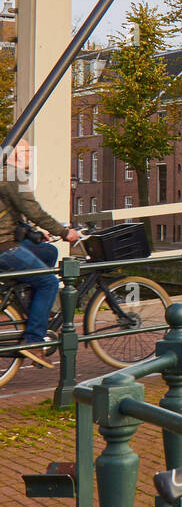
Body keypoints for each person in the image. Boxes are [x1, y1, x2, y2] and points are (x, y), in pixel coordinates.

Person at [0, 148, 80, 365]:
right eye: (27, 152)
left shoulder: (5, 174)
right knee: (49, 282)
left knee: (48, 251)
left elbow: (10, 214)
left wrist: (34, 233)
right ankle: (33, 342)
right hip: (4, 247)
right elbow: (33, 210)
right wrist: (65, 232)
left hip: (7, 240)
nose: (31, 155)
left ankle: (31, 305)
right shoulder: (12, 175)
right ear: (15, 156)